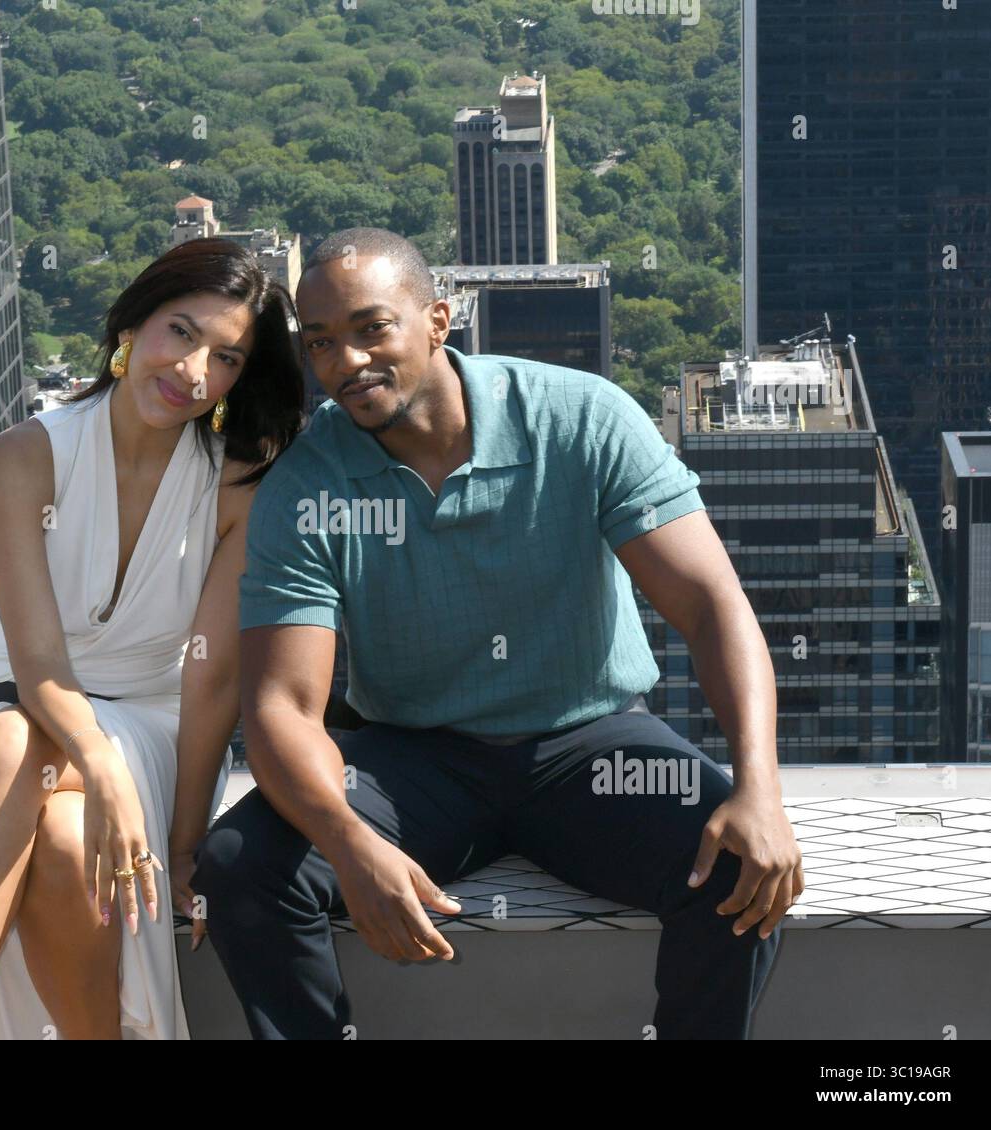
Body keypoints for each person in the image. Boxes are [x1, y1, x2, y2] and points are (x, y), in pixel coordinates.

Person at [188, 227, 804, 1040]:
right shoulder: (311, 483)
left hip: (590, 745)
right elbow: (279, 709)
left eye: (373, 329)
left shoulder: (581, 418)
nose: (346, 364)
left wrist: (759, 784)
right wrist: (349, 845)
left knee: (738, 860)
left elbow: (710, 606)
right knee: (241, 868)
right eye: (322, 343)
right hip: (415, 763)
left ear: (439, 320)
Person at [0, 238, 304, 1039]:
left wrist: (185, 844)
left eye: (225, 357)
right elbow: (39, 665)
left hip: (146, 727)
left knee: (24, 744)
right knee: (26, 758)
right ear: (129, 327)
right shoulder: (22, 457)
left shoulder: (238, 486)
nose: (192, 371)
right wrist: (98, 771)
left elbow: (212, 681)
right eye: (180, 332)